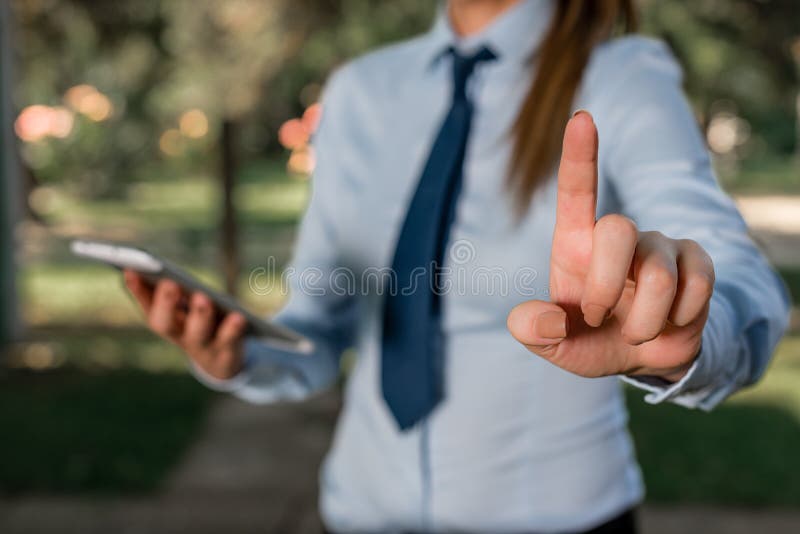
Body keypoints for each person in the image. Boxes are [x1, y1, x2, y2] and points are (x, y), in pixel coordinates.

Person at [124, 1, 790, 532]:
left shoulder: (620, 77)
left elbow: (740, 280)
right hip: (358, 509)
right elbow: (317, 327)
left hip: (556, 517)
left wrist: (690, 331)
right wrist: (237, 354)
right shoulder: (363, 88)